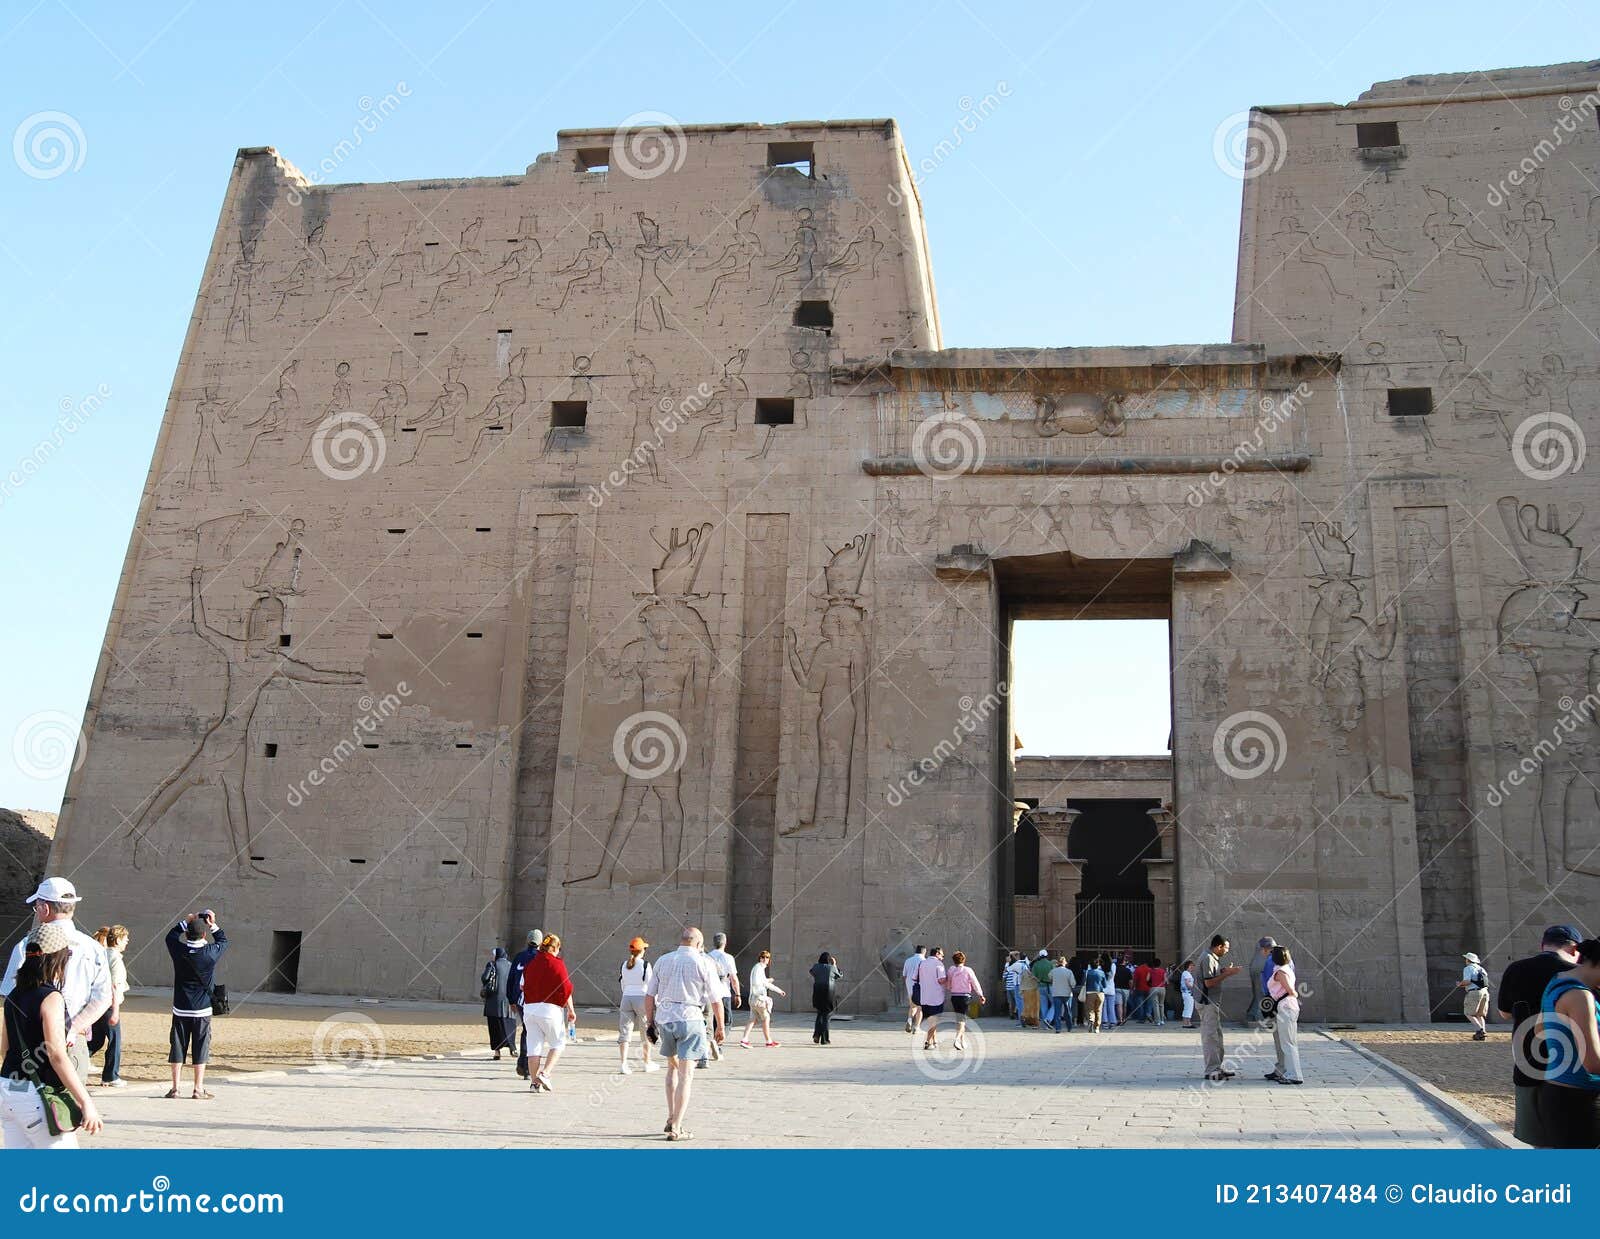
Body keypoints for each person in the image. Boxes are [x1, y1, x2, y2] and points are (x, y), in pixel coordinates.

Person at [0, 923, 104, 1148]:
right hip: (36, 1095)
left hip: (8, 1088)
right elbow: (56, 1055)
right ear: (58, 958)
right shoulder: (51, 997)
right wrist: (85, 1101)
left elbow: (5, 1048)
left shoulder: (13, 995)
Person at [0, 878, 111, 1086]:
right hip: (73, 1043)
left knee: (25, 1103)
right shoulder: (93, 947)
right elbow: (103, 998)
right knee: (70, 1103)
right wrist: (72, 1028)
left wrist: (7, 1050)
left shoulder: (26, 945)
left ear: (44, 908)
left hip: (29, 1045)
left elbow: (11, 1000)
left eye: (36, 907)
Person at [1498, 925, 1582, 1145]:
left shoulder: (1516, 969)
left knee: (1539, 1141)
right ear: (1574, 949)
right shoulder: (1578, 974)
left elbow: (1505, 1013)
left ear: (1543, 945)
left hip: (1528, 1063)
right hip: (1571, 1067)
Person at [644, 926, 724, 1141]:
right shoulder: (704, 962)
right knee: (686, 1075)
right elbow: (716, 1000)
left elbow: (649, 996)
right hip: (691, 1018)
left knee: (671, 1069)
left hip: (666, 1019)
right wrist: (720, 1027)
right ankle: (677, 1128)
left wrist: (650, 1023)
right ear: (698, 944)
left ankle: (671, 1116)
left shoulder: (663, 960)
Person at [1535, 938, 1600, 1148]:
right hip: (1579, 1101)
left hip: (1557, 1093)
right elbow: (1593, 1063)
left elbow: (1540, 1030)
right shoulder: (1580, 996)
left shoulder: (1558, 980)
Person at [165, 910, 227, 1100]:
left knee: (177, 1047)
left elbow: (170, 936)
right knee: (201, 1048)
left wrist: (186, 922)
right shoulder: (209, 953)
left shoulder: (179, 950)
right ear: (204, 934)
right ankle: (198, 1089)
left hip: (180, 1007)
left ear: (186, 934)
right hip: (202, 1009)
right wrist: (213, 923)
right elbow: (223, 940)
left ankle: (175, 1088)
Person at [521, 933, 576, 1092]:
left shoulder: (531, 964)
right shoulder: (558, 964)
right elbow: (566, 987)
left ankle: (534, 1083)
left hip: (529, 1009)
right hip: (549, 1010)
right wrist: (570, 1009)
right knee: (558, 1043)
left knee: (534, 1048)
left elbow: (522, 986)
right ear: (556, 948)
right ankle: (545, 1073)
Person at [88, 925, 129, 1087]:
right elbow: (114, 986)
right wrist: (115, 1011)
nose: (127, 941)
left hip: (97, 1003)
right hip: (109, 1005)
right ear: (118, 940)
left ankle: (74, 1061)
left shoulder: (102, 953)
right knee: (114, 1041)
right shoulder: (115, 959)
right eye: (125, 938)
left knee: (96, 1040)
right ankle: (110, 1076)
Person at [1198, 935, 1242, 1081]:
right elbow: (1209, 983)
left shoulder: (1211, 957)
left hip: (1212, 1003)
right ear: (1219, 947)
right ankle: (1211, 1070)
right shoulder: (1208, 958)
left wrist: (1223, 971)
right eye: (1226, 948)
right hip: (1207, 1003)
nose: (1227, 951)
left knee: (1217, 1037)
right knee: (1211, 1038)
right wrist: (1227, 974)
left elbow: (1211, 976)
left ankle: (1217, 1067)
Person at [698, 933, 740, 1069]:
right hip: (723, 992)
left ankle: (712, 1043)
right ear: (725, 943)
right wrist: (737, 994)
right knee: (726, 1021)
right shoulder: (728, 957)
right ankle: (718, 1043)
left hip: (708, 994)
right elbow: (733, 978)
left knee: (711, 1021)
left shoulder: (708, 956)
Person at [1263, 946, 1303, 1085]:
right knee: (1289, 1042)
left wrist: (1293, 994)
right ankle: (1290, 1073)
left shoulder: (1280, 972)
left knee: (1287, 1043)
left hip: (1286, 1007)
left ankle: (1295, 1075)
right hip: (1288, 1007)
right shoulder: (1286, 969)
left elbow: (1291, 991)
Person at [618, 936, 656, 1074]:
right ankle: (647, 1063)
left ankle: (623, 1064)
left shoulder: (624, 964)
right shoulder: (646, 965)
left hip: (626, 998)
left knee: (624, 1032)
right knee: (646, 1032)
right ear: (642, 950)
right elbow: (651, 985)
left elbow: (623, 984)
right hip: (642, 998)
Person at [507, 929, 541, 1079]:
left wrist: (511, 999)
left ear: (527, 941)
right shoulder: (540, 957)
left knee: (527, 1030)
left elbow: (511, 979)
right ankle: (525, 1065)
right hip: (534, 999)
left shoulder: (519, 957)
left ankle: (523, 1064)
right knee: (531, 1032)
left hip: (519, 999)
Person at [741, 949, 785, 1047]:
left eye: (767, 957)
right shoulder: (759, 968)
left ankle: (744, 1039)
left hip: (753, 998)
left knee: (752, 1019)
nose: (765, 959)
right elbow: (758, 983)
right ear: (760, 958)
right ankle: (769, 1041)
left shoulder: (758, 968)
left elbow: (762, 982)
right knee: (766, 1018)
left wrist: (778, 990)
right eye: (763, 957)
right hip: (758, 998)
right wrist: (767, 981)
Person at [481, 946, 516, 1059]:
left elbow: (485, 978)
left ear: (496, 955)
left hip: (494, 1002)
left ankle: (497, 1052)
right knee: (509, 1026)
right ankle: (512, 1048)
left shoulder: (492, 964)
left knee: (494, 1027)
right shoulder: (511, 965)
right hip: (509, 1001)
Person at [944, 950, 983, 1050]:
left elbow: (948, 985)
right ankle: (957, 1039)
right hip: (965, 997)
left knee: (959, 1020)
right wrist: (980, 995)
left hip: (954, 996)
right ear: (964, 960)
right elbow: (975, 983)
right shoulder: (968, 970)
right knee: (962, 1020)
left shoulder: (951, 970)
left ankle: (962, 1040)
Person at [917, 947, 948, 1050]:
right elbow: (941, 980)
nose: (943, 958)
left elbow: (915, 978)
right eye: (942, 955)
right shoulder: (939, 964)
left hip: (924, 997)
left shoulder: (922, 963)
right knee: (934, 1021)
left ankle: (934, 1041)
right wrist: (949, 978)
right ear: (937, 953)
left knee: (930, 1021)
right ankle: (928, 1041)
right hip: (936, 998)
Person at [810, 952, 843, 1044]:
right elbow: (839, 975)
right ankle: (824, 1039)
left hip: (817, 993)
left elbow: (811, 972)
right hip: (828, 994)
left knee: (819, 1014)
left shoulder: (816, 967)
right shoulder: (831, 968)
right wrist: (834, 964)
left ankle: (817, 1035)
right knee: (826, 1016)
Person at [1458, 951, 1491, 1040]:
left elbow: (1467, 981)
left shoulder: (1468, 968)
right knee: (1480, 1015)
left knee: (1469, 1013)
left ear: (1468, 960)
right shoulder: (1481, 969)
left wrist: (1460, 984)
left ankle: (1480, 1030)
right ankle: (1482, 1033)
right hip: (1485, 992)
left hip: (1474, 992)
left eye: (1466, 959)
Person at [1252, 937, 1278, 1027]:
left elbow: (1269, 980)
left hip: (1275, 997)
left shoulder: (1271, 961)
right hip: (1286, 999)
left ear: (1265, 949)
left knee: (1278, 1029)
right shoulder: (1286, 959)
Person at [1048, 955, 1076, 1032]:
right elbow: (1073, 983)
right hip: (1067, 994)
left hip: (1056, 993)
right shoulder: (1069, 972)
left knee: (1057, 1012)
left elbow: (1049, 978)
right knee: (1067, 1011)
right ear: (1065, 963)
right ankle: (1069, 1027)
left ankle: (1058, 1028)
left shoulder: (1053, 971)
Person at [903, 944, 927, 1033]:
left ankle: (909, 1020)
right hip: (920, 987)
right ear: (924, 952)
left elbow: (904, 975)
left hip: (909, 986)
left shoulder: (908, 960)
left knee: (912, 1006)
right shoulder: (924, 961)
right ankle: (917, 1028)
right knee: (920, 1008)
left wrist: (908, 984)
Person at [1082, 957, 1107, 1032]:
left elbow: (1083, 982)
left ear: (1090, 965)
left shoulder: (1087, 973)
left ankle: (1091, 1020)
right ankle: (1097, 1028)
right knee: (1099, 1010)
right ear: (1098, 965)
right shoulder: (1101, 972)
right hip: (1100, 993)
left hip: (1090, 993)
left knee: (1090, 1009)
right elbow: (1105, 985)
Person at [1004, 952, 1026, 1023]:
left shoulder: (1015, 965)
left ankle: (1020, 1018)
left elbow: (1005, 972)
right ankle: (1022, 1016)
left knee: (1016, 1002)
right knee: (1021, 1002)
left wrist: (1007, 964)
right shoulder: (1025, 964)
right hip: (1023, 985)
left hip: (1016, 985)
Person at [1147, 958, 1168, 1027]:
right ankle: (1162, 1020)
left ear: (1153, 964)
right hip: (1162, 988)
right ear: (1160, 964)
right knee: (1161, 1004)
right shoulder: (1163, 971)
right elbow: (1166, 980)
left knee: (1155, 1005)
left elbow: (1147, 979)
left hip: (1153, 988)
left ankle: (1157, 1021)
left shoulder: (1150, 971)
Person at [1132, 958, 1153, 1024]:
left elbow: (1135, 980)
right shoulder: (1150, 969)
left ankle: (1141, 1019)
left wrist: (1133, 988)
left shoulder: (1137, 969)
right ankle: (1148, 1014)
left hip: (1139, 988)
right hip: (1149, 989)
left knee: (1140, 1004)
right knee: (1148, 1003)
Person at [1179, 959, 1197, 1028]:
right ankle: (1187, 1023)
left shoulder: (1187, 973)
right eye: (1191, 965)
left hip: (1187, 993)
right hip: (1188, 993)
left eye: (1193, 965)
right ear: (1187, 966)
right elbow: (1187, 983)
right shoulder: (1186, 973)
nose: (1192, 967)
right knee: (1189, 1008)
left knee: (1187, 1008)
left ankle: (1185, 1023)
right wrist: (1193, 987)